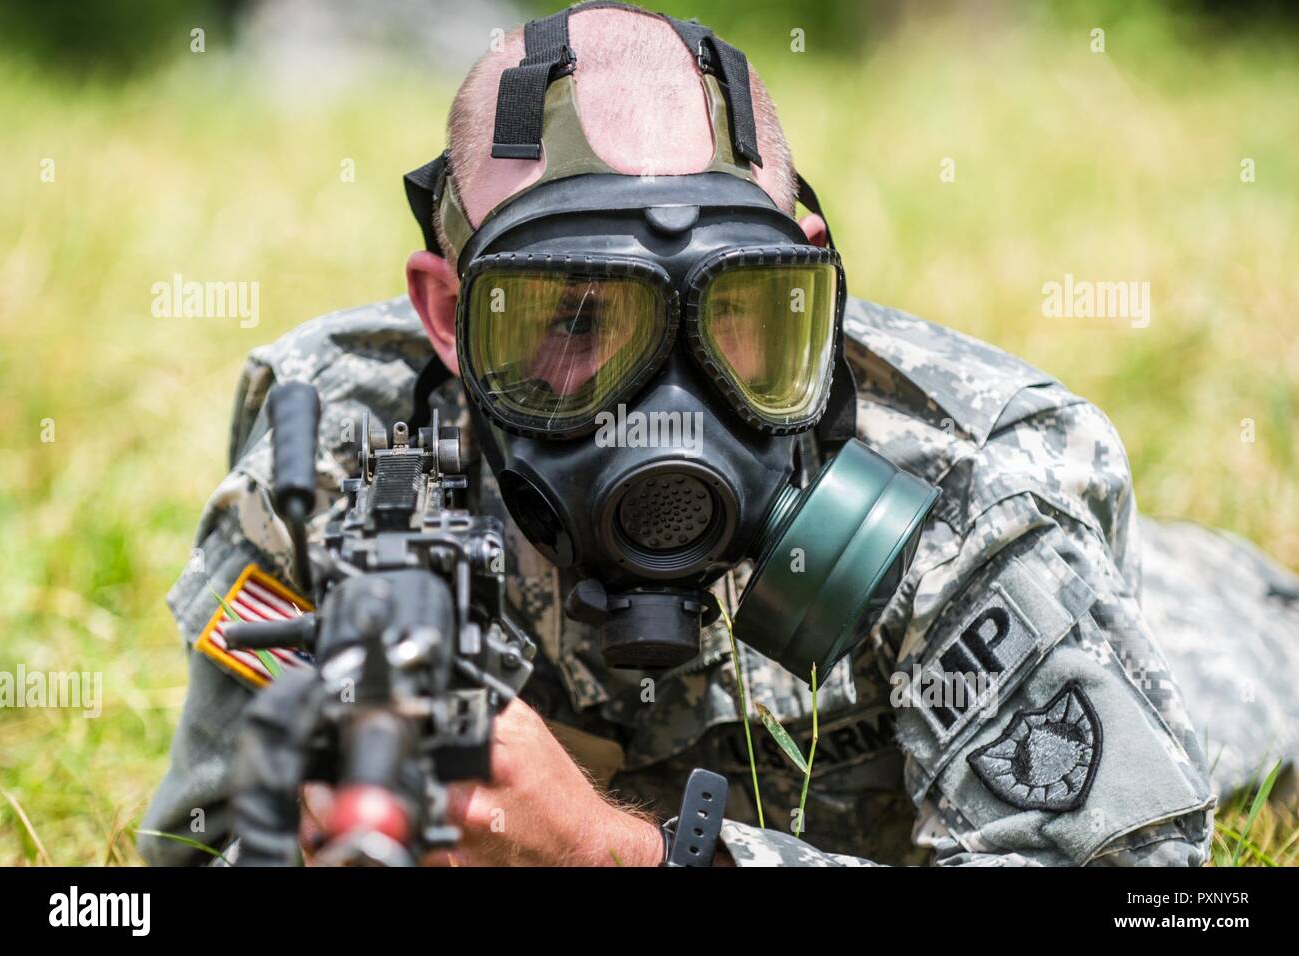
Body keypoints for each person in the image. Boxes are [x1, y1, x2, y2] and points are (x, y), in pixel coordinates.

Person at [139, 2, 1299, 867]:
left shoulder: (971, 490)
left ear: (816, 291)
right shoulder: (342, 449)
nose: (662, 411)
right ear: (448, 316)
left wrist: (617, 855)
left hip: (1222, 638)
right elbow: (179, 853)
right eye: (571, 316)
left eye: (737, 315)